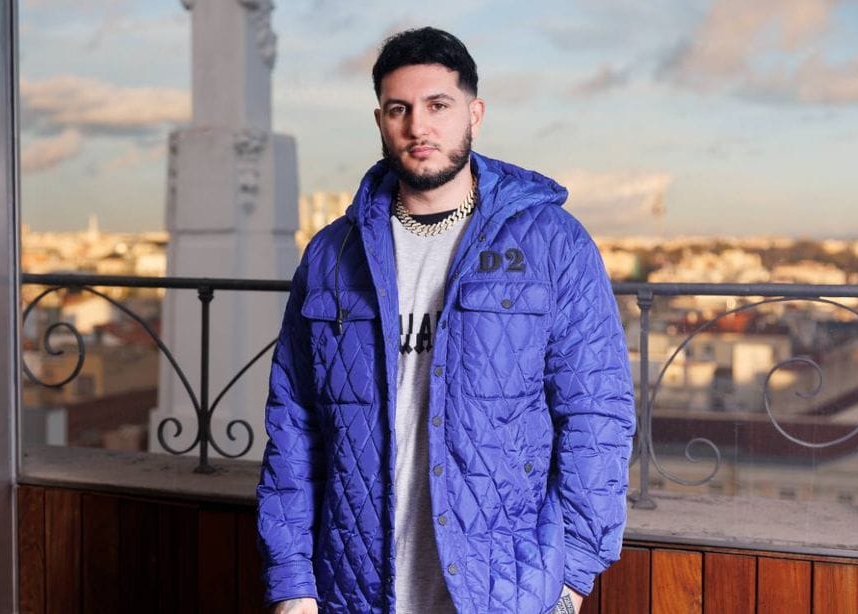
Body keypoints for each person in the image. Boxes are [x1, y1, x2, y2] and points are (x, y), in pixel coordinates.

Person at [257, 27, 635, 614]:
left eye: (439, 106)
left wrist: (572, 576)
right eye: (399, 109)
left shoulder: (553, 244)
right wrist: (293, 582)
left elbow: (597, 411)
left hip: (505, 589)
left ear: (474, 114)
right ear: (380, 120)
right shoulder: (332, 254)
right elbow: (294, 420)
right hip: (353, 586)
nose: (418, 127)